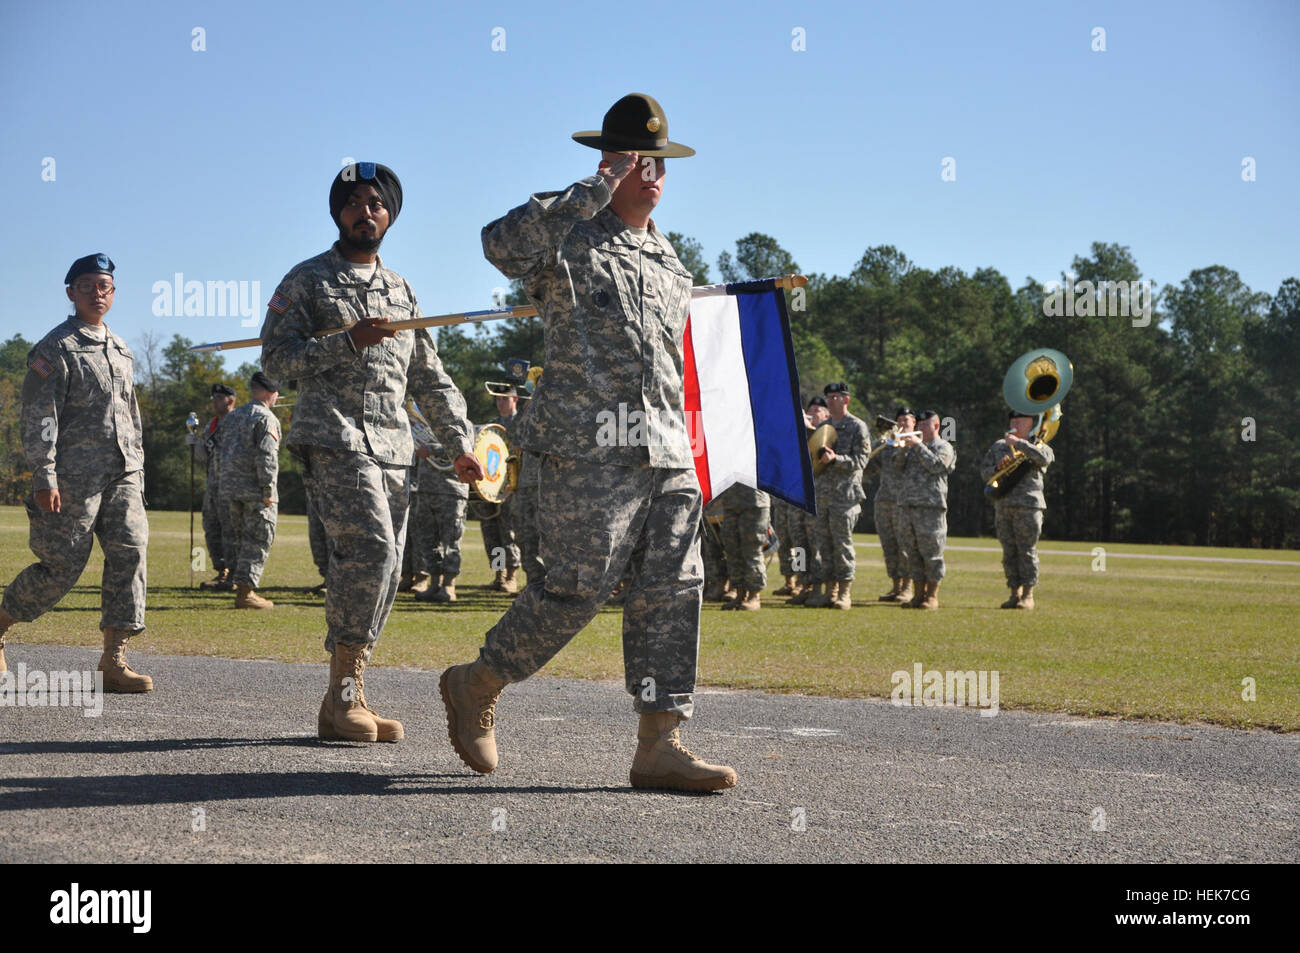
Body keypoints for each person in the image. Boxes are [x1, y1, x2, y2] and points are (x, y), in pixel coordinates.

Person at [441, 93, 737, 792]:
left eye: (659, 162)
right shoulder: (569, 235)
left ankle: (659, 742)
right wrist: (588, 190)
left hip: (664, 448)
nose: (651, 174)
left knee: (674, 589)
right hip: (586, 446)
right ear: (610, 160)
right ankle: (477, 682)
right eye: (637, 161)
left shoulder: (668, 258)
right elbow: (498, 245)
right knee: (575, 588)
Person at [260, 162, 481, 743]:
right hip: (334, 437)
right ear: (338, 212)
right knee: (373, 552)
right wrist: (347, 341)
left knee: (388, 569)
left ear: (391, 215)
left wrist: (460, 445)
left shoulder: (403, 291)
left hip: (395, 447)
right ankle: (343, 695)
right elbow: (276, 363)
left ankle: (345, 700)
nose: (366, 211)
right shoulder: (307, 280)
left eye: (376, 203)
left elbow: (429, 378)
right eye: (354, 202)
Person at [0, 254, 151, 691]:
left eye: (104, 286)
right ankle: (1, 623)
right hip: (71, 479)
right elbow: (40, 415)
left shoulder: (121, 349)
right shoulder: (55, 349)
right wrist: (44, 473)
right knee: (61, 566)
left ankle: (114, 659)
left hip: (123, 473)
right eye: (86, 286)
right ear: (71, 293)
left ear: (113, 293)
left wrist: (138, 466)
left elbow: (132, 415)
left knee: (130, 552)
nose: (96, 294)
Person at [219, 372, 282, 610]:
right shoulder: (266, 418)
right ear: (268, 393)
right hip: (255, 491)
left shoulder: (234, 417)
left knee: (239, 539)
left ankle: (240, 585)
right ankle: (246, 593)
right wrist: (268, 490)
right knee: (258, 539)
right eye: (276, 393)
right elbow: (267, 457)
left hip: (231, 489)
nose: (277, 398)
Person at [806, 382, 871, 610]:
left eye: (836, 397)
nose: (832, 401)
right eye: (829, 397)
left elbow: (862, 461)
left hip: (845, 496)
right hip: (823, 495)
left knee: (842, 544)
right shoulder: (823, 426)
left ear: (846, 400)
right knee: (824, 545)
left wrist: (837, 459)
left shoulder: (857, 427)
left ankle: (844, 593)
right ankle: (829, 591)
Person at [980, 410, 1054, 609]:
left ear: (1030, 423)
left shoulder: (1038, 445)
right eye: (1012, 420)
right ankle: (1014, 593)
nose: (1014, 423)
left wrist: (1019, 444)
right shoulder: (998, 447)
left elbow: (1044, 459)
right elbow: (984, 472)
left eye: (1020, 420)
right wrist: (997, 469)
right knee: (1009, 551)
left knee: (1026, 550)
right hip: (1004, 504)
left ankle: (1028, 595)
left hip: (1029, 505)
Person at [895, 410, 956, 610]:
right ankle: (918, 593)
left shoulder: (944, 446)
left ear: (936, 426)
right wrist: (903, 448)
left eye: (925, 425)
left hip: (930, 508)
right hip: (907, 506)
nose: (920, 428)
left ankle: (932, 596)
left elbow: (937, 466)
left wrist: (918, 445)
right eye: (919, 425)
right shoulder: (910, 447)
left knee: (932, 553)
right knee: (912, 553)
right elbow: (897, 467)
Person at [410, 410, 470, 603]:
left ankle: (449, 586)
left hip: (451, 490)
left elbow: (466, 450)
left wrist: (432, 450)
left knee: (451, 540)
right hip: (426, 489)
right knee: (428, 541)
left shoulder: (464, 425)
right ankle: (434, 583)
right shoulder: (426, 426)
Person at [864, 406, 916, 603]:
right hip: (884, 501)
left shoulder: (916, 445)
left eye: (907, 421)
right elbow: (868, 466)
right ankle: (895, 586)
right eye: (900, 421)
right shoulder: (888, 444)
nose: (903, 424)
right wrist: (883, 440)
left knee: (905, 546)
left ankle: (907, 587)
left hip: (905, 502)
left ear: (914, 424)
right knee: (889, 546)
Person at [190, 383, 238, 590]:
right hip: (212, 486)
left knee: (231, 530)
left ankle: (235, 574)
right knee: (211, 528)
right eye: (214, 399)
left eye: (219, 398)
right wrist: (192, 440)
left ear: (231, 400)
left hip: (232, 486)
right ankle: (221, 570)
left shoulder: (238, 422)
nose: (215, 402)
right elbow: (204, 457)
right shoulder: (212, 424)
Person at [786, 396, 829, 604]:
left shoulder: (828, 434)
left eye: (818, 410)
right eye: (810, 409)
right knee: (799, 546)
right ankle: (802, 584)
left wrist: (810, 427)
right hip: (797, 497)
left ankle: (818, 587)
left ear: (826, 415)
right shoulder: (797, 433)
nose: (813, 412)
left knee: (816, 544)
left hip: (818, 499)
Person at [481, 382, 523, 593]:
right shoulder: (492, 426)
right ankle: (499, 575)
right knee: (492, 533)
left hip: (513, 486)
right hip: (492, 485)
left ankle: (512, 576)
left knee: (509, 532)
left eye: (504, 399)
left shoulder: (522, 423)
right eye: (497, 399)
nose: (500, 403)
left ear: (514, 400)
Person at [718, 484, 770, 610]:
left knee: (751, 550)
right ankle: (740, 594)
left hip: (755, 502)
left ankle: (754, 596)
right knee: (732, 551)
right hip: (731, 503)